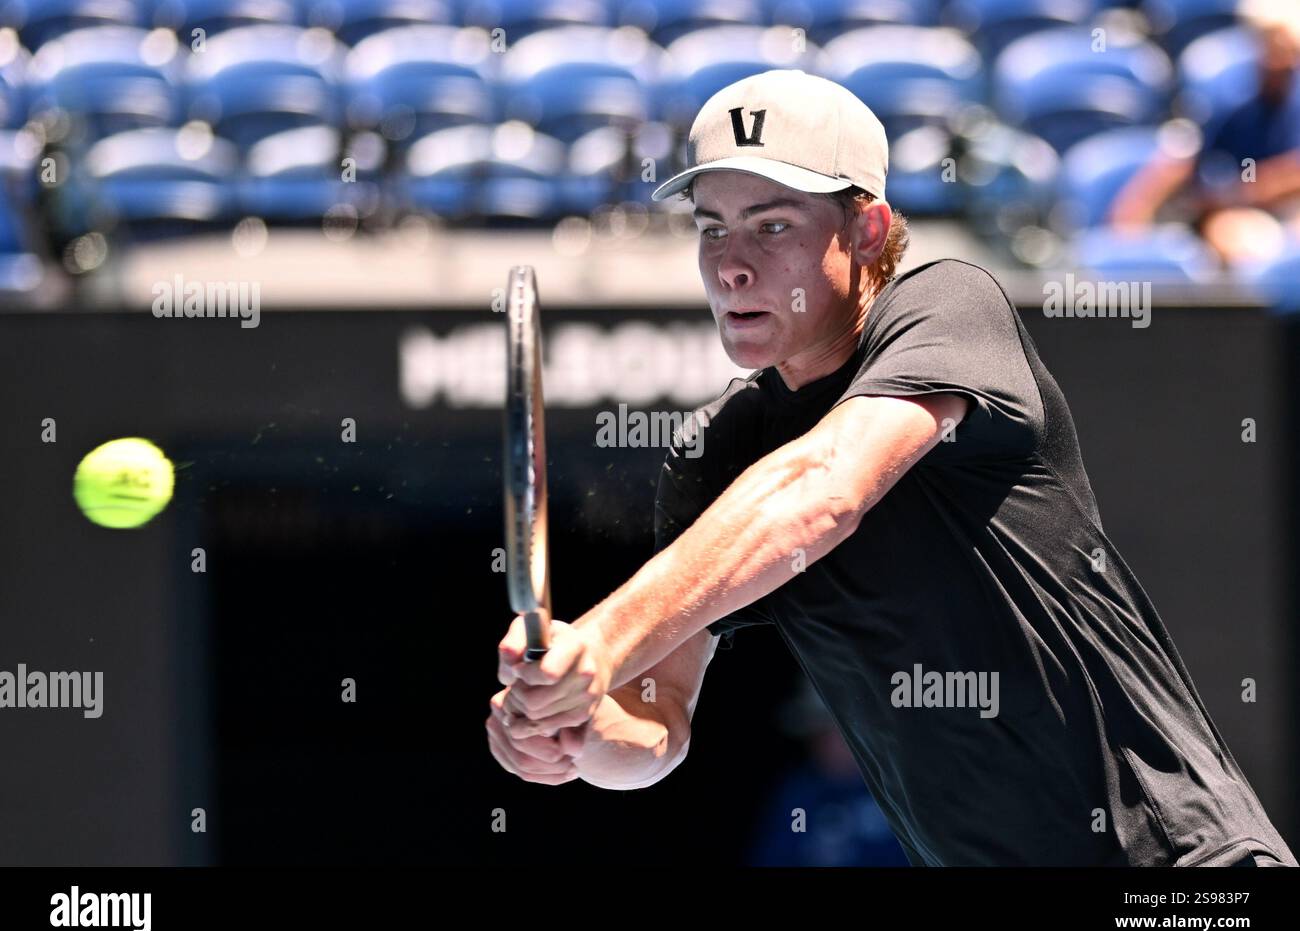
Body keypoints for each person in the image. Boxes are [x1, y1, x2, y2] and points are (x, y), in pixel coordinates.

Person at [485, 68, 1296, 866]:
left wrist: (599, 638)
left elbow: (824, 490)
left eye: (772, 227)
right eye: (711, 228)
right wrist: (581, 725)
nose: (731, 265)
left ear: (868, 231)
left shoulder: (950, 307)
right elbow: (657, 725)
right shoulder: (718, 450)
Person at [1109, 2, 1300, 266]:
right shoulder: (1229, 99)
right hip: (1240, 217)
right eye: (1273, 42)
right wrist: (1131, 221)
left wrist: (1248, 191)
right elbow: (1179, 161)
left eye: (1290, 46)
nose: (1283, 57)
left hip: (1289, 214)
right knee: (1237, 237)